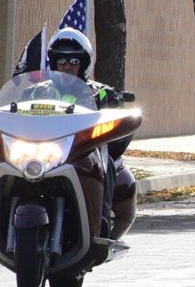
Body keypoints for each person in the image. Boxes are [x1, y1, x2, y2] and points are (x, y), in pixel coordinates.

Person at [45, 28, 137, 241]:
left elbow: (114, 110)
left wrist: (114, 101)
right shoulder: (37, 91)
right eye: (61, 61)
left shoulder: (99, 91)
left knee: (106, 160)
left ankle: (101, 221)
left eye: (74, 61)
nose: (67, 67)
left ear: (84, 64)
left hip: (79, 154)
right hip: (44, 153)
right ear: (53, 63)